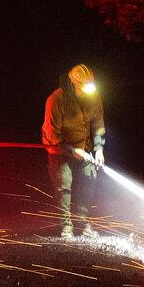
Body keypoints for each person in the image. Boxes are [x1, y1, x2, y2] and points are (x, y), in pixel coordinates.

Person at [41, 64, 105, 238]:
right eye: (84, 86)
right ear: (73, 83)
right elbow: (52, 132)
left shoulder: (94, 97)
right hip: (59, 149)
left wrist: (98, 149)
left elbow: (98, 125)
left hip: (84, 149)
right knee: (64, 186)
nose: (88, 90)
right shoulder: (56, 100)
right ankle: (66, 227)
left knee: (89, 180)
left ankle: (84, 224)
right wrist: (71, 150)